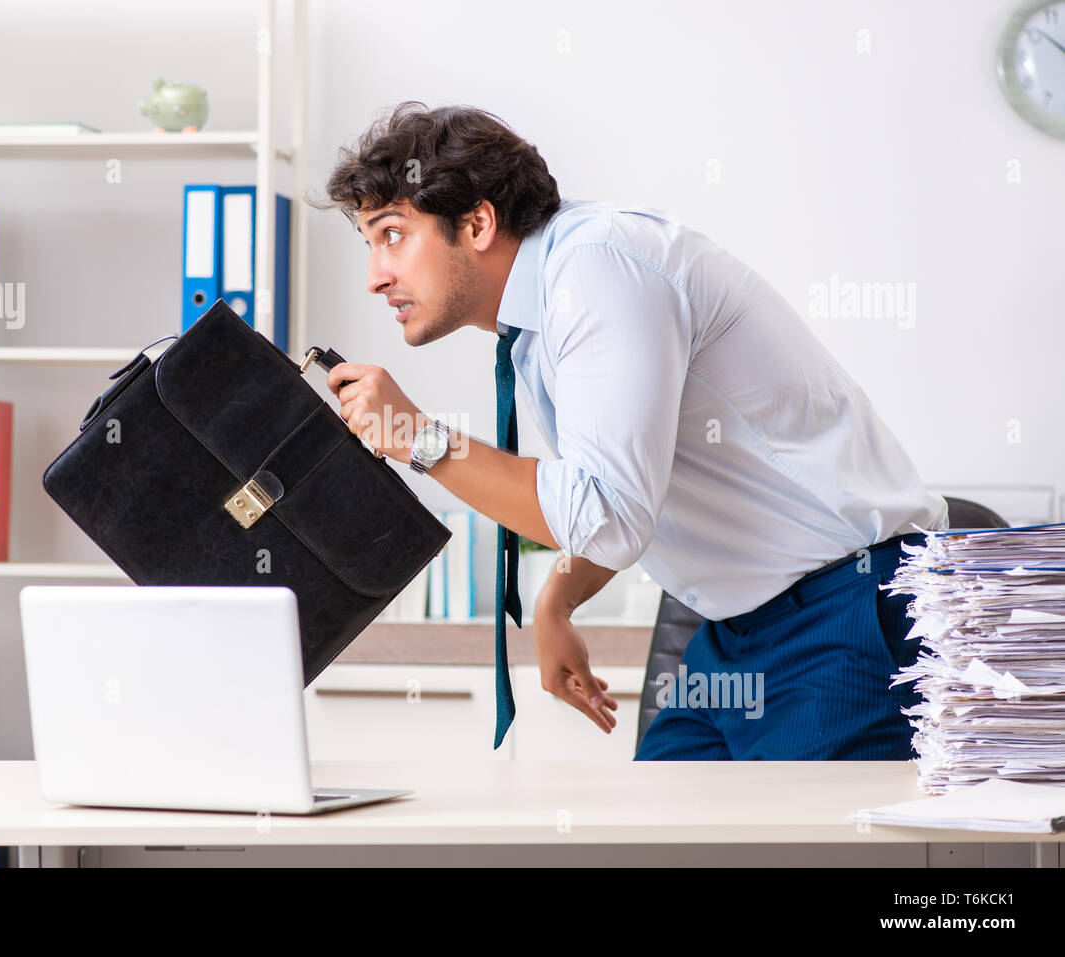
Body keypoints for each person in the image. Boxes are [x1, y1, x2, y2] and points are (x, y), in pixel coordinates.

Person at [308, 101, 946, 760]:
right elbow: (622, 485)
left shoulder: (598, 269)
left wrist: (419, 437)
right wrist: (558, 601)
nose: (374, 276)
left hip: (844, 610)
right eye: (369, 244)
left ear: (476, 222)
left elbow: (607, 511)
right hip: (737, 630)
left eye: (392, 235)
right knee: (651, 830)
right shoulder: (539, 318)